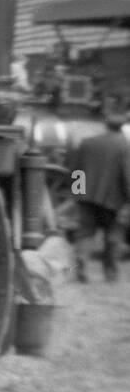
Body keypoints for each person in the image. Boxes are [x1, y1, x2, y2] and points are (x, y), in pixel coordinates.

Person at [68, 113, 130, 283]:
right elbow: (127, 175)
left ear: (106, 124)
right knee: (113, 236)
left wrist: (77, 194)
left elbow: (76, 171)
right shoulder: (124, 146)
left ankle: (82, 261)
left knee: (85, 233)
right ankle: (110, 274)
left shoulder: (87, 143)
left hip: (86, 197)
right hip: (114, 200)